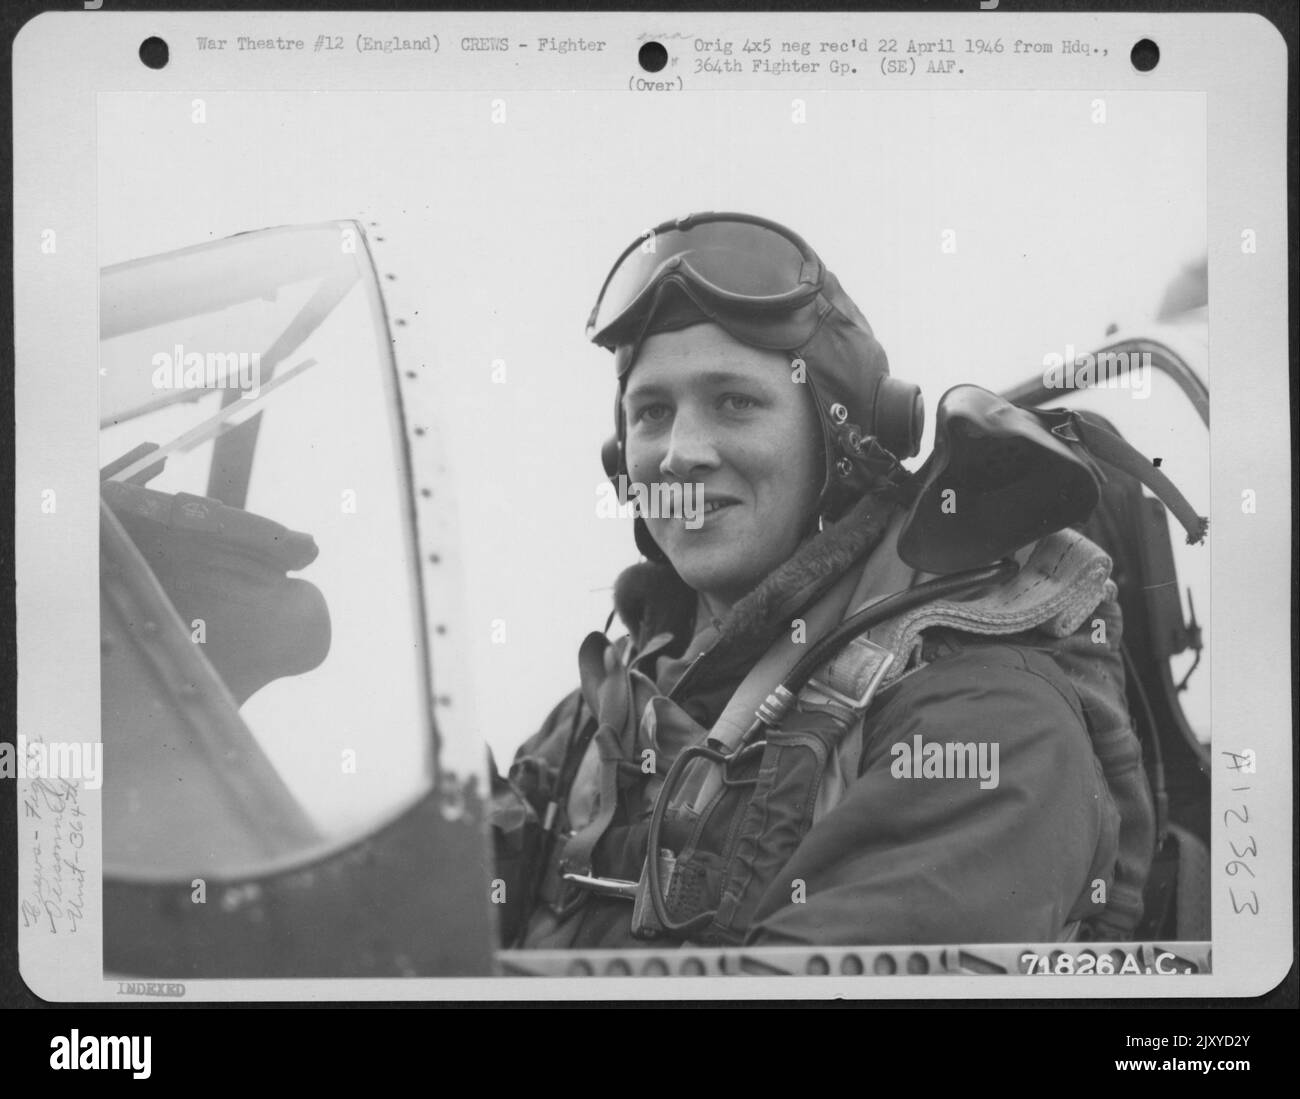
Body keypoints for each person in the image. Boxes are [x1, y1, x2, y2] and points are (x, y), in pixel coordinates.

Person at [490, 212, 1165, 950]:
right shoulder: (602, 712)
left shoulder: (988, 718)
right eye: (652, 412)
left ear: (844, 443)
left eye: (734, 401)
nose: (678, 453)